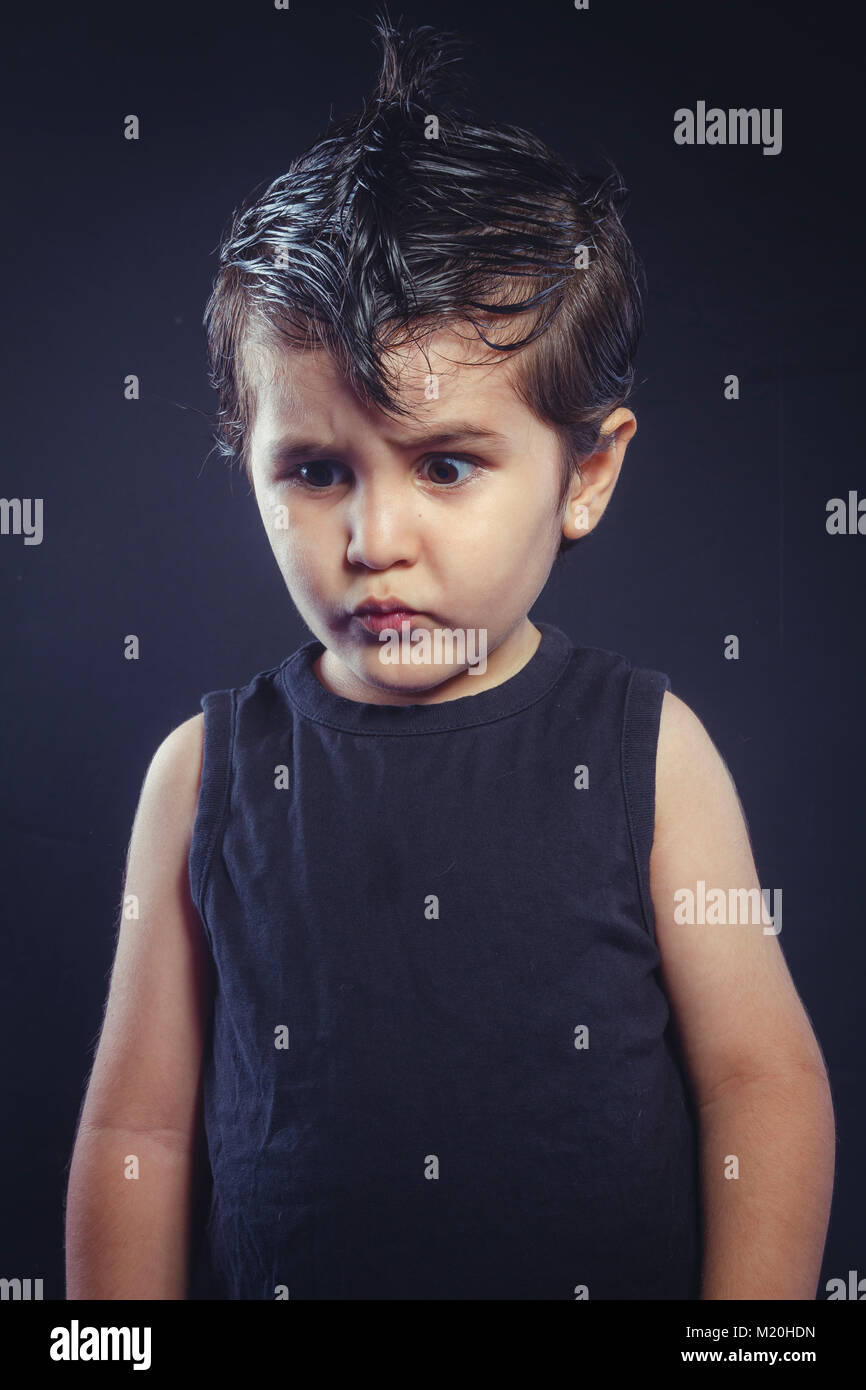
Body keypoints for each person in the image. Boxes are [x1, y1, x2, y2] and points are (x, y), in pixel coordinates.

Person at [64, 11, 835, 1300]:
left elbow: (766, 1086)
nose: (376, 540)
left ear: (585, 474)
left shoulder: (648, 749)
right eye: (315, 472)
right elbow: (135, 1133)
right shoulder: (203, 776)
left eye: (446, 465)